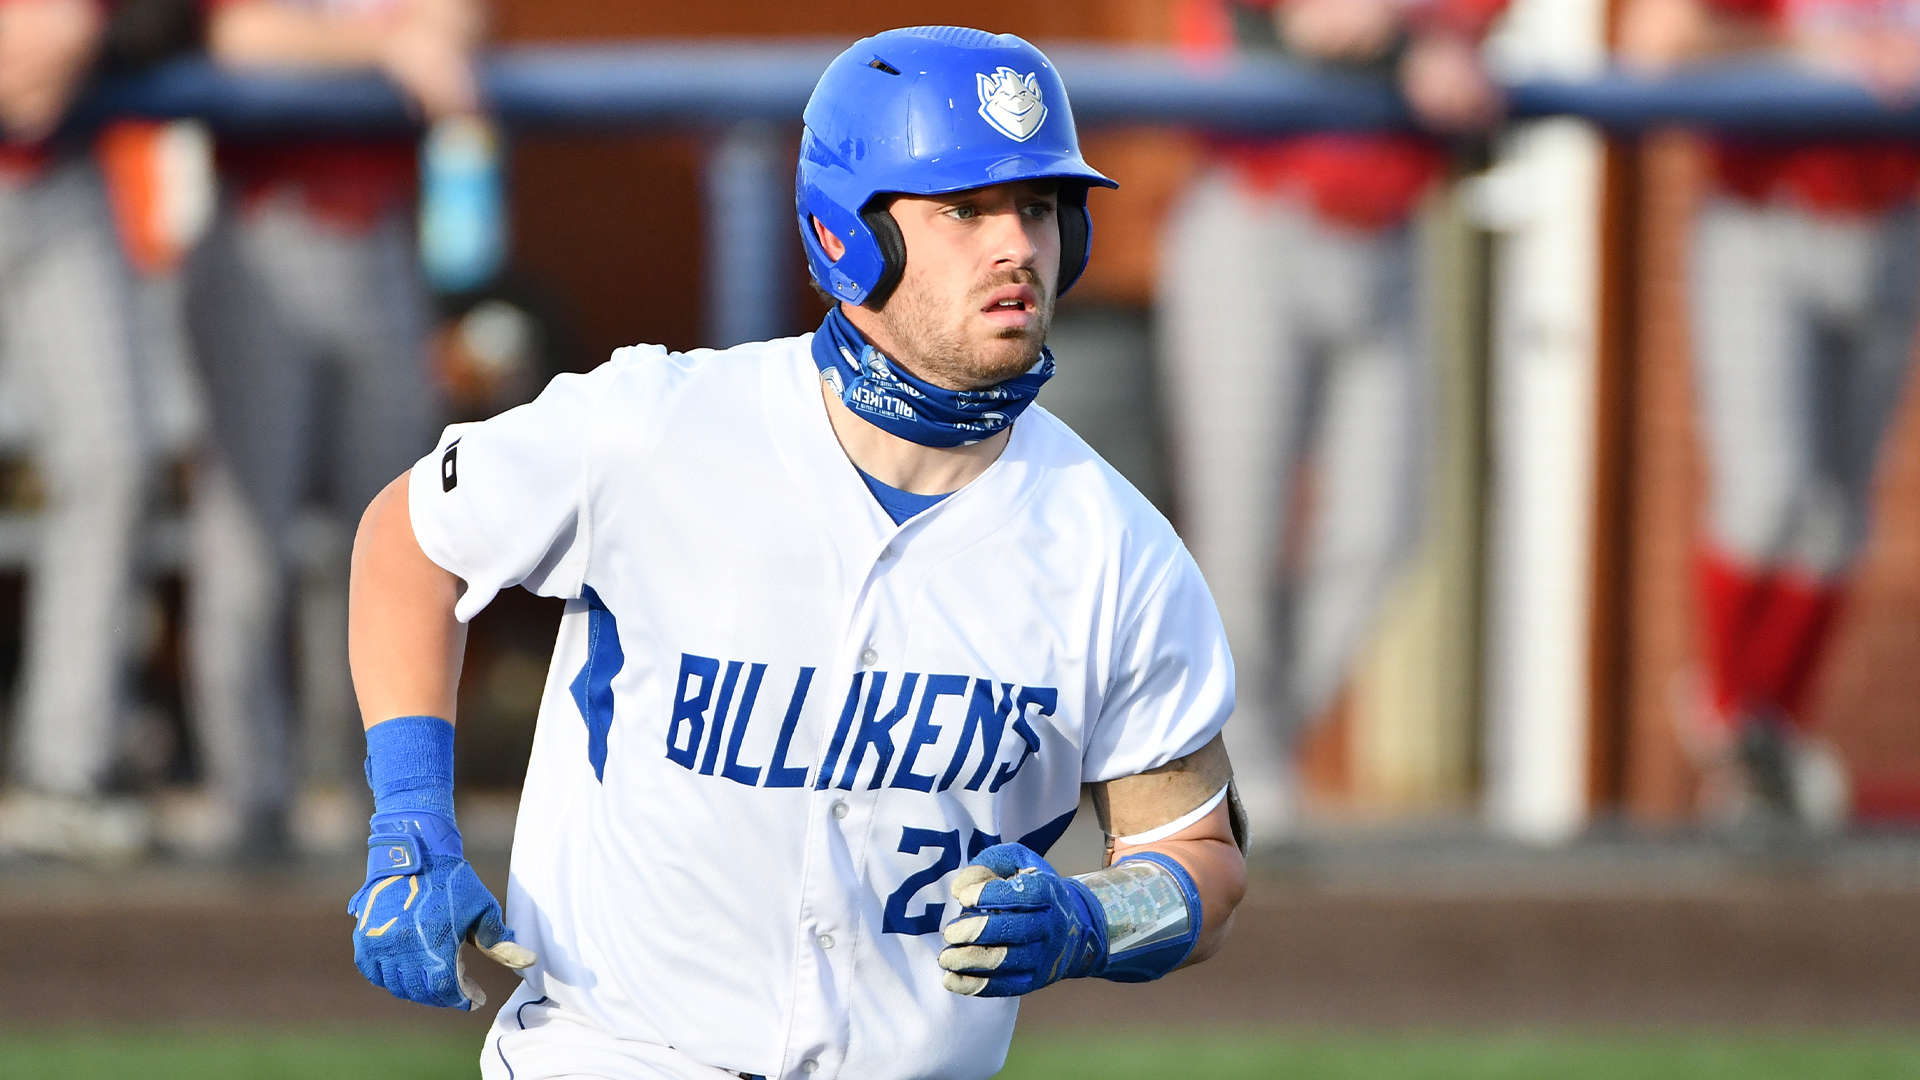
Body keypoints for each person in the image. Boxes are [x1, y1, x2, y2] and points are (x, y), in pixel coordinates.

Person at [345, 27, 1249, 1080]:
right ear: (846, 232)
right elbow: (409, 538)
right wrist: (411, 814)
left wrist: (1095, 922)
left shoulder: (1117, 547)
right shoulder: (654, 427)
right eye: (964, 209)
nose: (1016, 246)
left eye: (1040, 207)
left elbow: (1196, 856)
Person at [1158, 0, 1506, 833]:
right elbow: (1290, 27)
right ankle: (1238, 776)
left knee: (1385, 527)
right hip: (1255, 208)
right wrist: (1399, 40)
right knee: (1240, 532)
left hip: (1389, 229)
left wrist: (1419, 34)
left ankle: (1244, 753)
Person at [183, 0, 478, 853]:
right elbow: (238, 38)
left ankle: (384, 801)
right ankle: (248, 797)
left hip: (382, 232)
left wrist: (409, 39)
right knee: (247, 540)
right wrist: (387, 45)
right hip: (263, 225)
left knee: (397, 537)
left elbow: (458, 24)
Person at [1620, 0, 1920, 830]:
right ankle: (1729, 710)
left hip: (1893, 223)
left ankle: (1765, 747)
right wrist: (1823, 52)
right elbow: (1658, 43)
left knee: (1838, 522)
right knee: (1766, 496)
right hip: (1766, 210)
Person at [0, 0, 155, 857]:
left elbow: (177, 18)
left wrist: (86, 27)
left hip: (56, 174)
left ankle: (66, 770)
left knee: (112, 460)